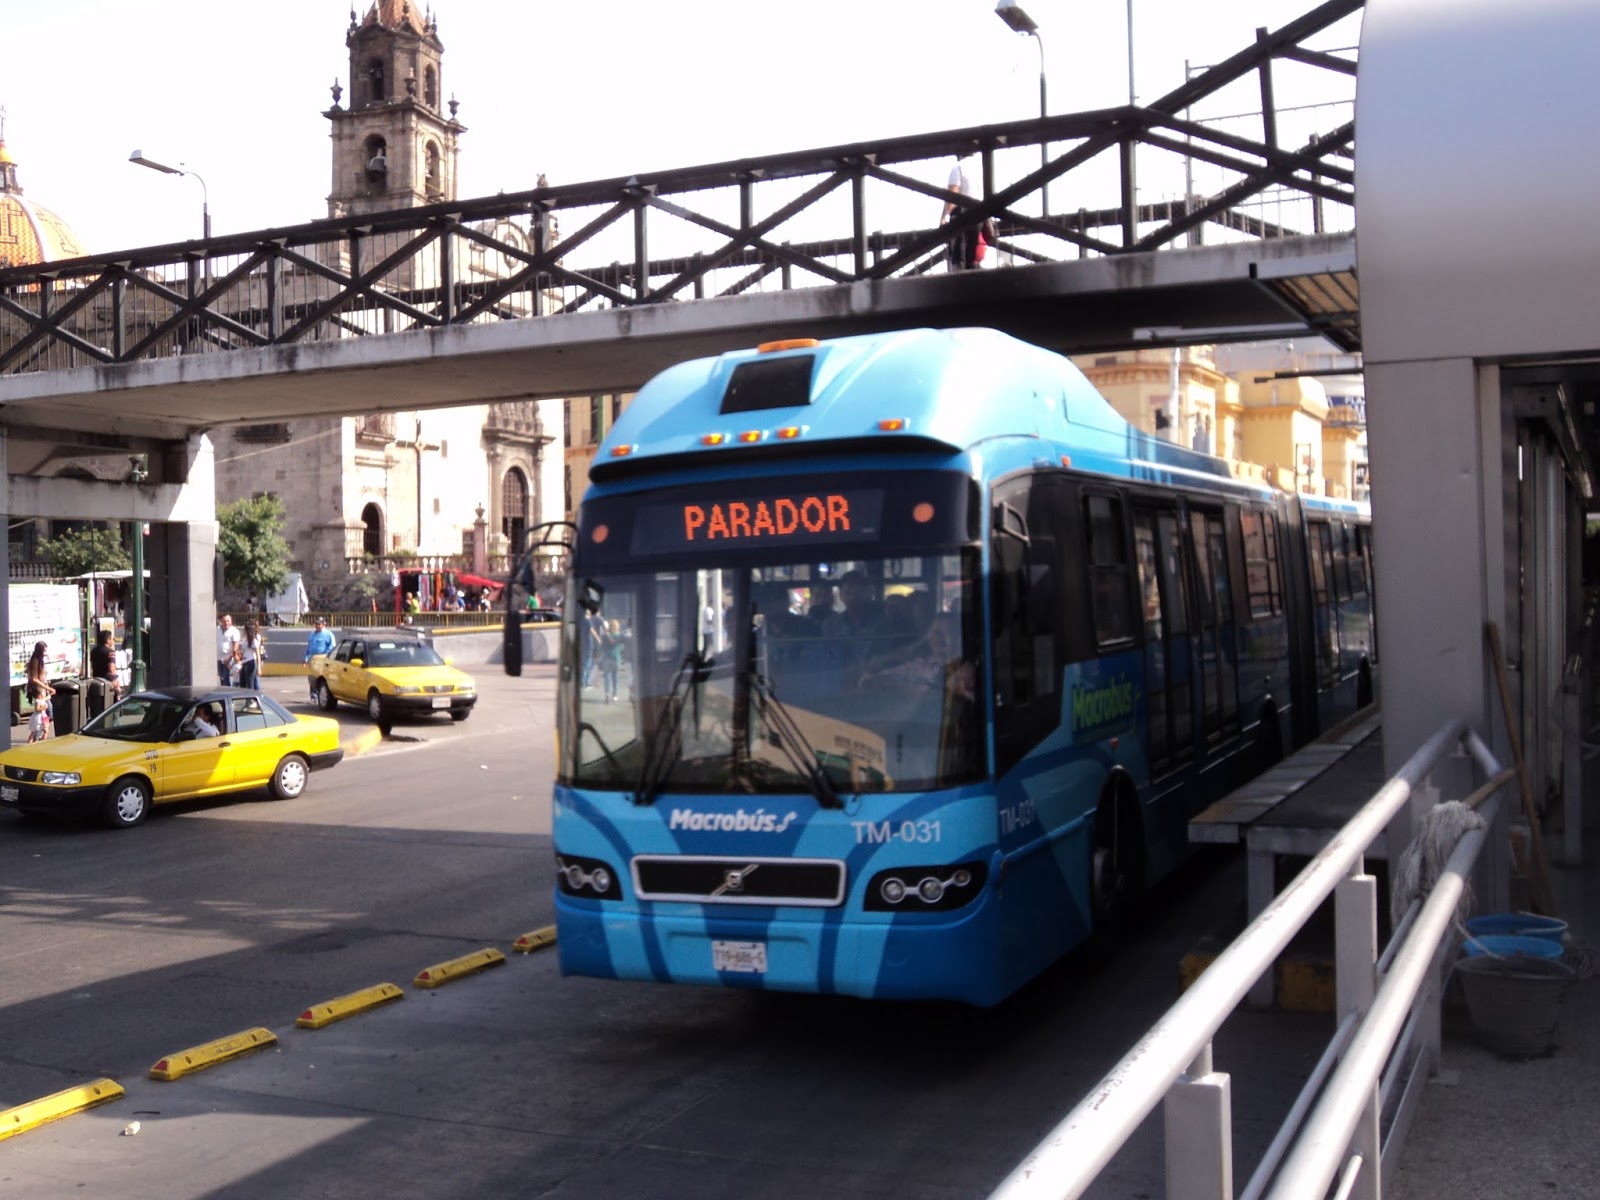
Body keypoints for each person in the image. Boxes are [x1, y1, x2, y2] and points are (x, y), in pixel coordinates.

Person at [24, 641, 54, 743]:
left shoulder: (40, 661)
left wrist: (48, 688)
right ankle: (38, 734)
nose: (45, 652)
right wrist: (47, 688)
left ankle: (41, 732)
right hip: (39, 689)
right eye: (44, 650)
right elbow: (35, 679)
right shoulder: (35, 661)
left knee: (48, 712)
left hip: (44, 689)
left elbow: (43, 677)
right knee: (47, 710)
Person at [89, 627, 122, 715]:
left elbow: (92, 666)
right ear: (107, 640)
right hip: (108, 681)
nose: (113, 640)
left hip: (97, 681)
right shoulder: (110, 652)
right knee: (113, 709)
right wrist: (115, 682)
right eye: (111, 639)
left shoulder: (93, 651)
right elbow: (111, 668)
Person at [303, 617, 335, 700]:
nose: (317, 626)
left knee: (322, 678)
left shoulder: (328, 634)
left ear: (324, 624)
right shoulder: (312, 634)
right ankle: (313, 696)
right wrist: (305, 659)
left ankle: (323, 696)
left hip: (323, 659)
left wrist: (326, 657)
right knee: (313, 677)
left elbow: (332, 647)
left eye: (319, 624)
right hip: (313, 660)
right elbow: (309, 648)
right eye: (316, 624)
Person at [600, 619, 625, 703]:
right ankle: (615, 695)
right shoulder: (619, 636)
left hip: (606, 658)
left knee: (606, 677)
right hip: (616, 658)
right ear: (617, 627)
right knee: (615, 677)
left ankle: (607, 693)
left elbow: (602, 647)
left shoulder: (604, 636)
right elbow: (622, 647)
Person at [216, 613, 242, 687]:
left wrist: (229, 658)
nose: (226, 623)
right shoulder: (217, 629)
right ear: (221, 621)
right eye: (224, 621)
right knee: (222, 678)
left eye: (228, 621)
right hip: (219, 658)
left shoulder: (234, 631)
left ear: (231, 621)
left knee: (226, 679)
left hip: (229, 659)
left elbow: (235, 646)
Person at [238, 617, 265, 690]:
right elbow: (243, 650)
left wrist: (259, 668)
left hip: (251, 662)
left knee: (250, 684)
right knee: (242, 683)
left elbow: (257, 654)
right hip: (245, 662)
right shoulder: (245, 639)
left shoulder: (253, 640)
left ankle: (251, 700)